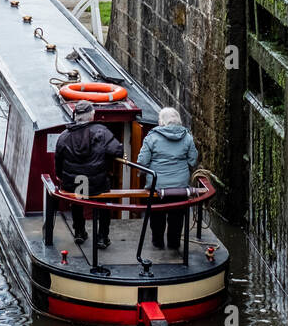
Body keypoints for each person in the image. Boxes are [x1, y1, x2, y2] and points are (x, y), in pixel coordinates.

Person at [54, 101, 122, 247]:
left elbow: (58, 160)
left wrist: (61, 176)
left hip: (76, 182)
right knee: (103, 204)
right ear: (92, 116)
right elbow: (117, 151)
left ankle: (79, 232)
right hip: (97, 182)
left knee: (78, 201)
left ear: (76, 116)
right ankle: (102, 237)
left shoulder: (64, 136)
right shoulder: (102, 132)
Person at [136, 107, 199, 252]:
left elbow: (143, 161)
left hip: (157, 186)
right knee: (177, 215)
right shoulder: (187, 137)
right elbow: (193, 161)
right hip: (180, 186)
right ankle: (174, 243)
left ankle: (158, 242)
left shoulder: (151, 138)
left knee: (157, 214)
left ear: (161, 121)